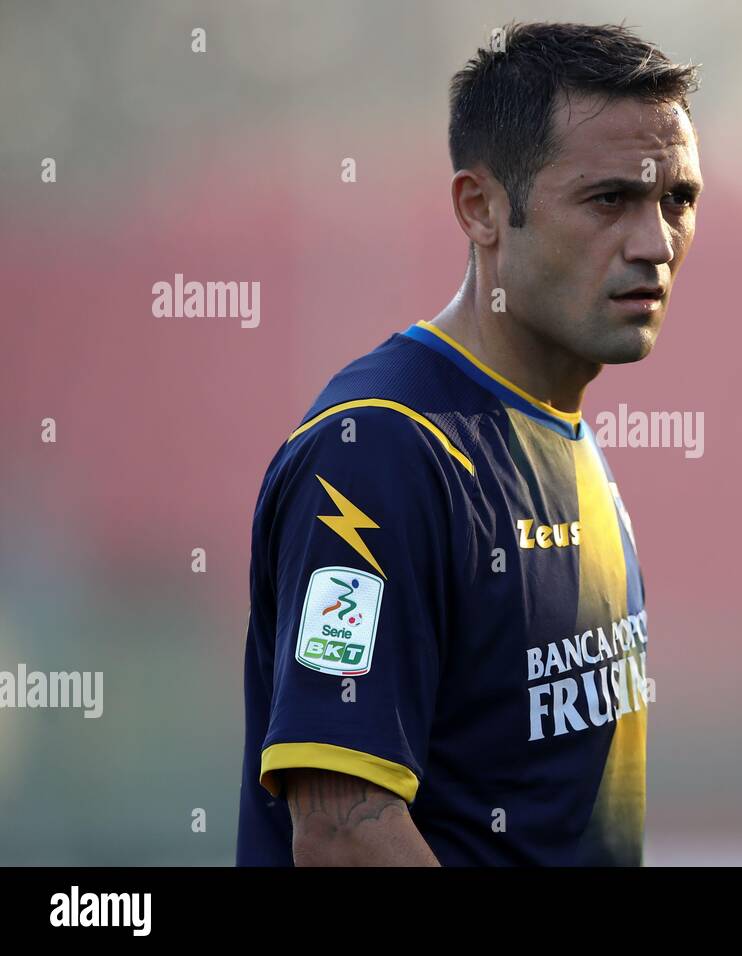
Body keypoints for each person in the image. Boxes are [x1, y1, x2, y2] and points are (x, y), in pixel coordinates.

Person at [236, 20, 703, 866]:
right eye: (609, 201)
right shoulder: (378, 453)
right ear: (481, 208)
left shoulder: (560, 430)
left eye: (678, 199)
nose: (655, 243)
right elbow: (343, 831)